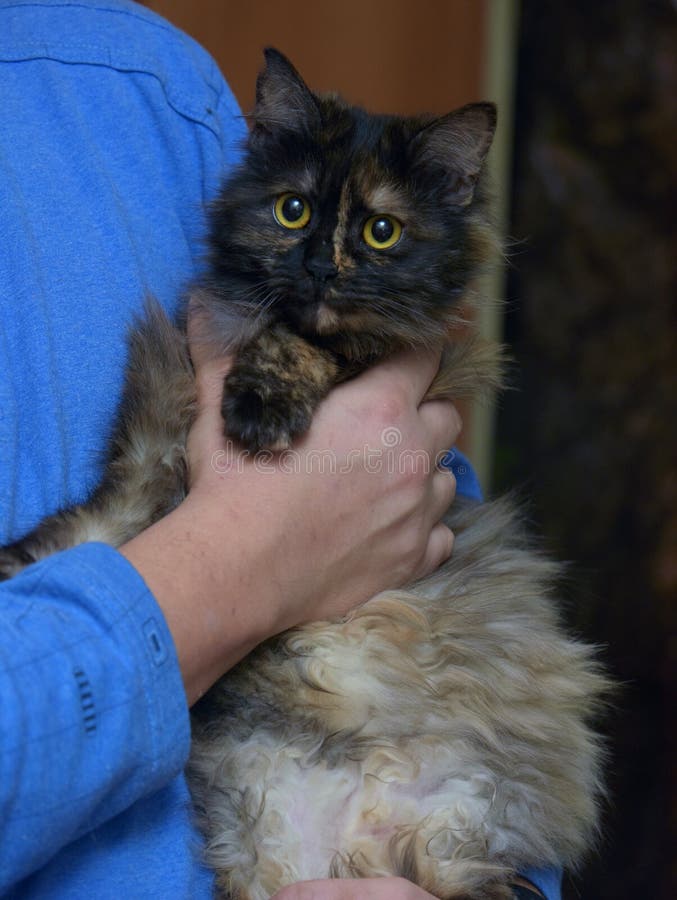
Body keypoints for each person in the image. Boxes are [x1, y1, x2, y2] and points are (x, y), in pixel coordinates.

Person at [0, 2, 558, 898]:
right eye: (295, 212)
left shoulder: (143, 80)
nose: (327, 263)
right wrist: (238, 565)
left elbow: (420, 516)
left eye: (377, 233)